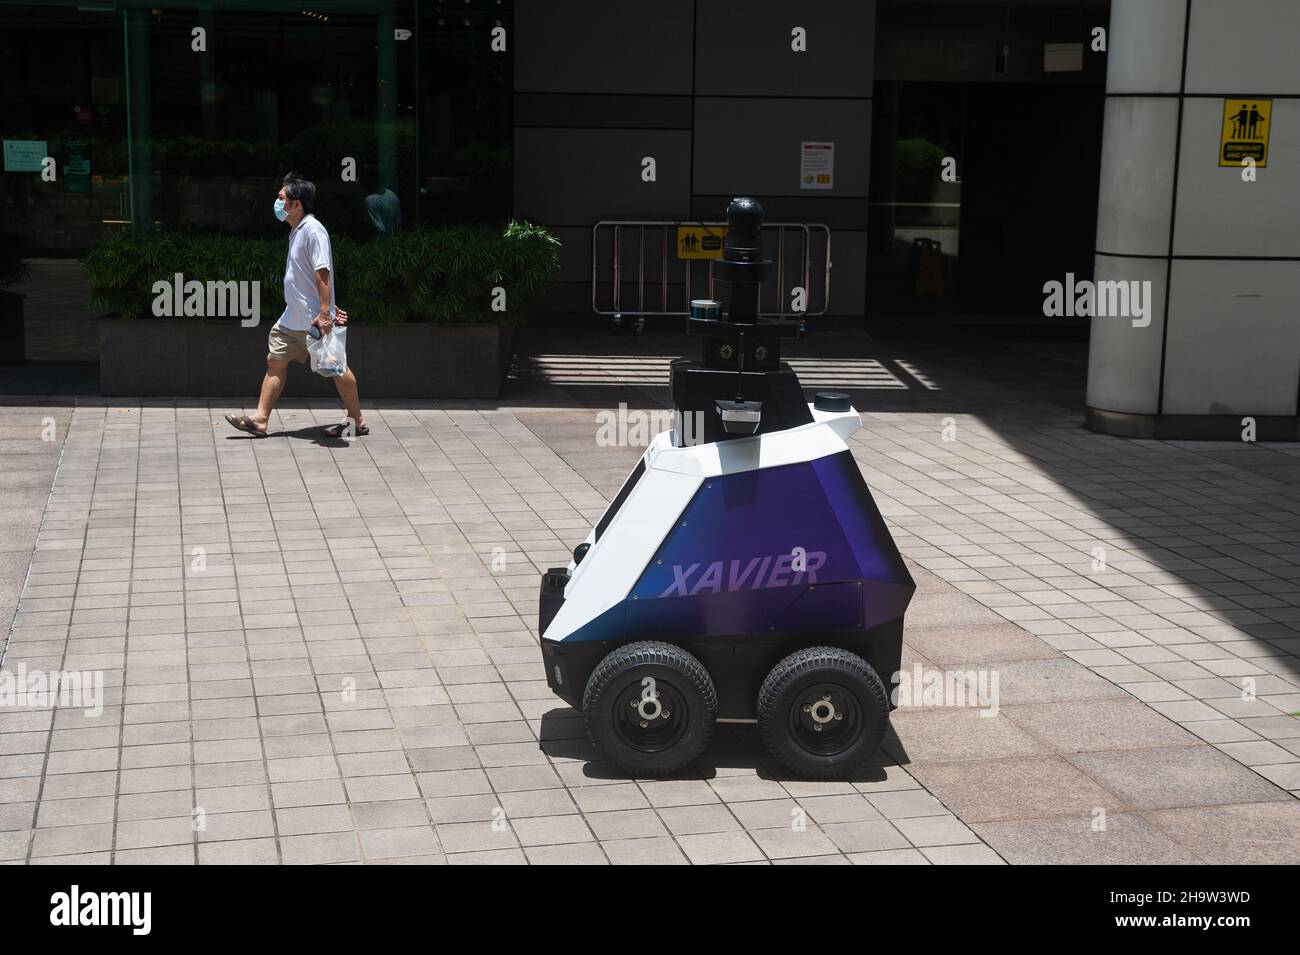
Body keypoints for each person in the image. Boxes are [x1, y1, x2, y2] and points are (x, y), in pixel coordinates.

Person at [225, 173, 367, 438]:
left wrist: (325, 313)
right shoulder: (297, 231)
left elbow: (322, 273)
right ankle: (260, 420)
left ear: (296, 204)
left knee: (336, 368)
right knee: (275, 361)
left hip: (315, 321)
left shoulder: (313, 230)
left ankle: (357, 421)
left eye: (281, 198)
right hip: (292, 319)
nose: (277, 203)